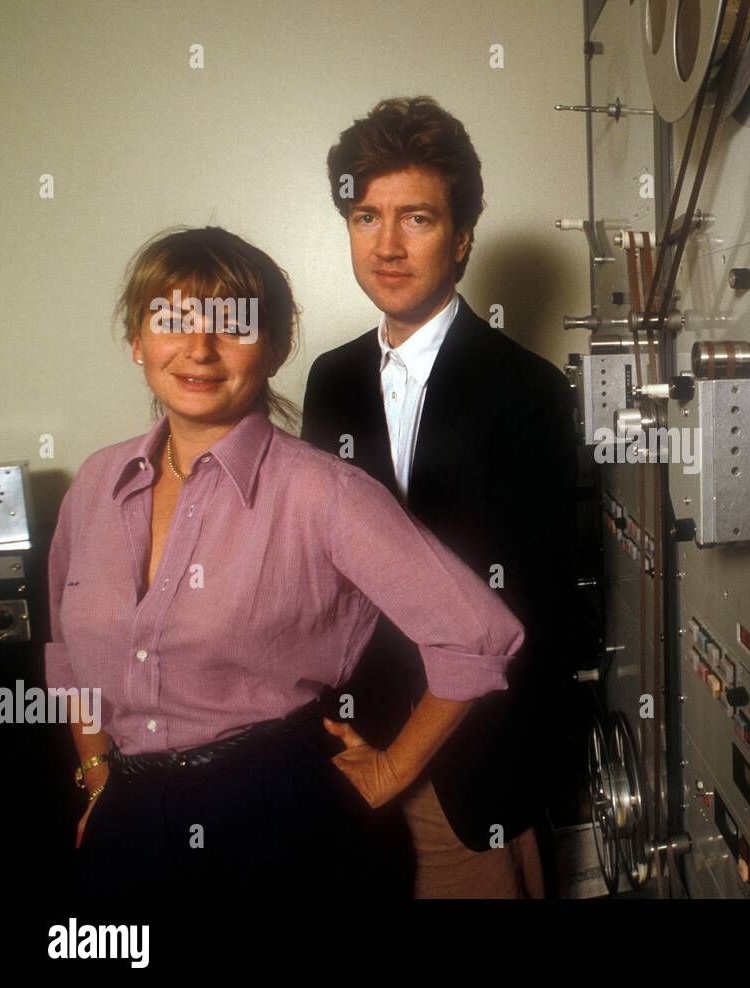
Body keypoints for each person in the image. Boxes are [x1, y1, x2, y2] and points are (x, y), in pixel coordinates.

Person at [45, 226, 524, 897]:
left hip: (278, 820)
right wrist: (96, 776)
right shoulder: (94, 485)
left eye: (232, 326)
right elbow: (67, 652)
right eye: (172, 321)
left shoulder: (326, 492)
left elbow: (479, 635)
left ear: (275, 348)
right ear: (137, 341)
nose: (200, 349)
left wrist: (389, 772)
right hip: (127, 818)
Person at [302, 96, 577, 898]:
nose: (386, 245)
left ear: (460, 240)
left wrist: (401, 765)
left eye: (415, 219)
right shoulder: (332, 377)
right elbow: (331, 580)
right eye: (365, 216)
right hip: (354, 755)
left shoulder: (527, 391)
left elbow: (527, 614)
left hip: (466, 777)